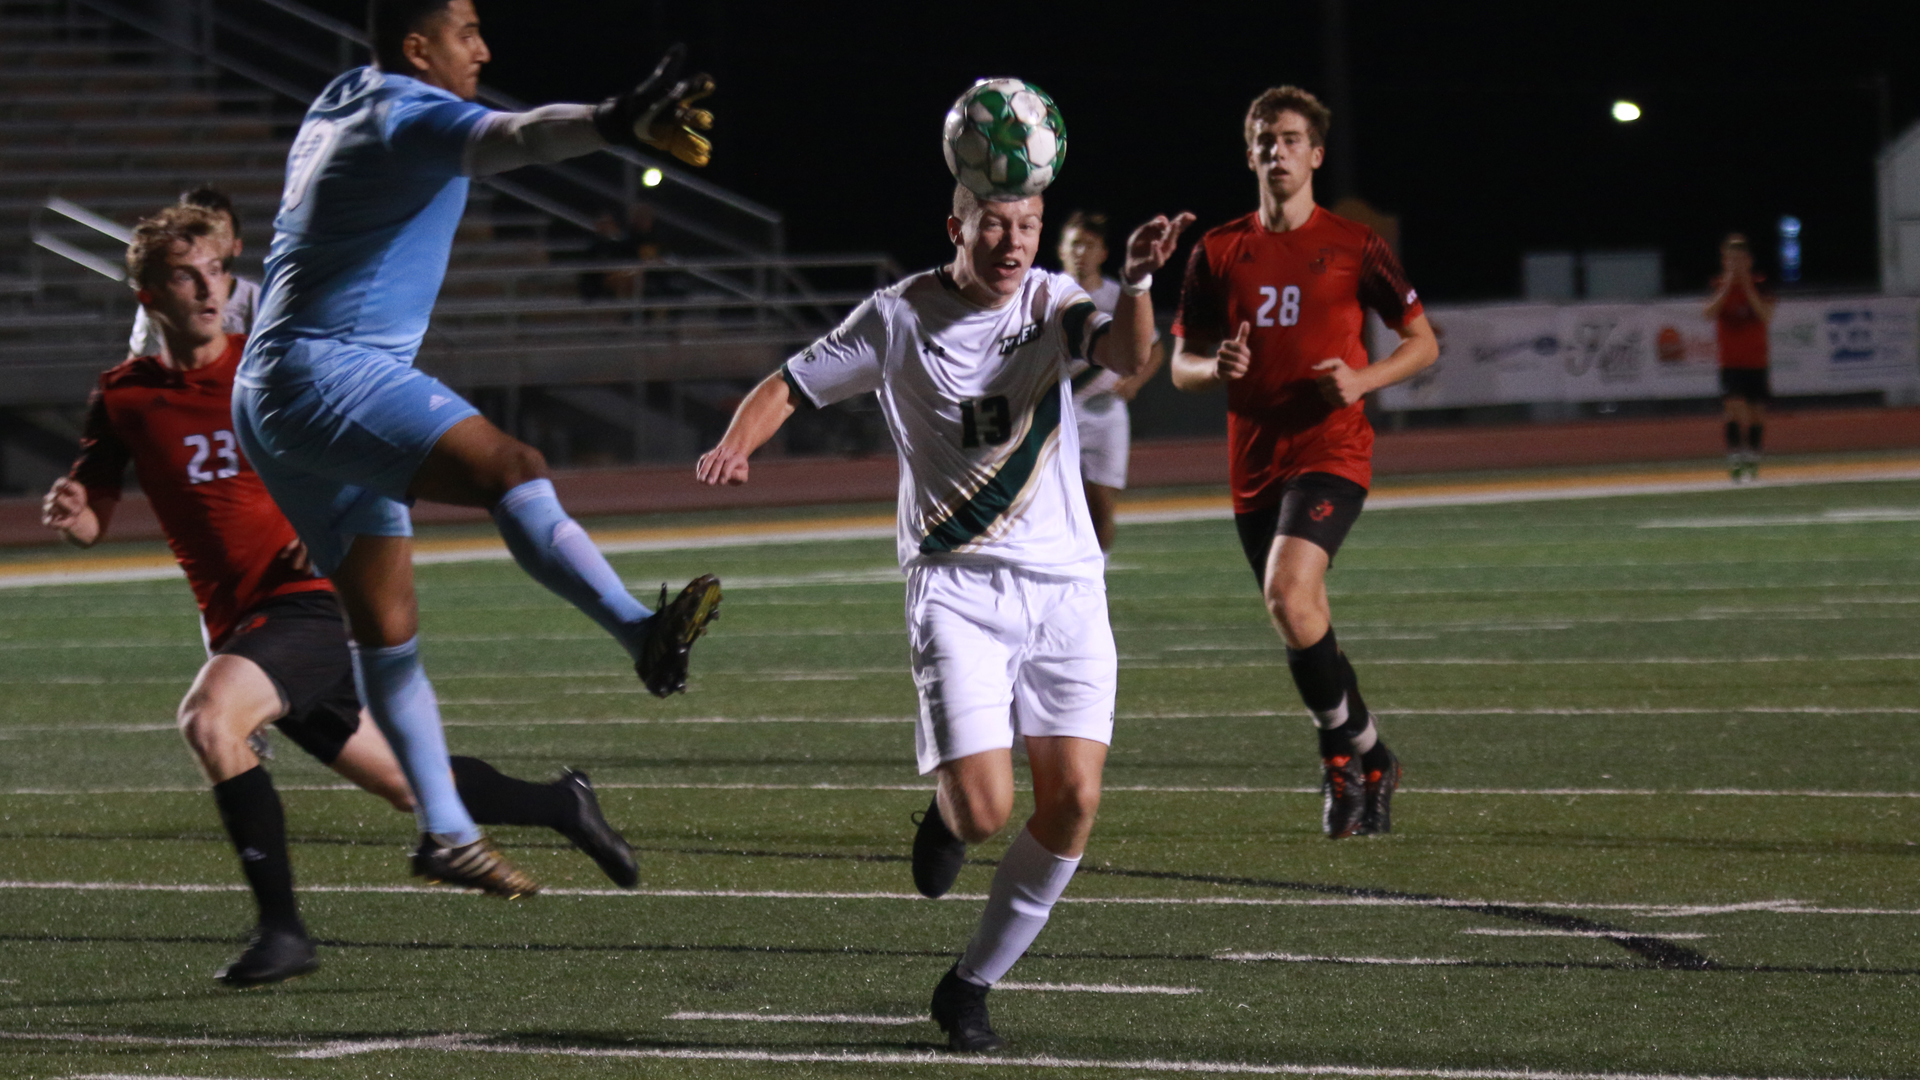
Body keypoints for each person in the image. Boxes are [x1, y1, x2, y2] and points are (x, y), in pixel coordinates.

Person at [43, 205, 639, 988]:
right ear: (148, 296)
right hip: (241, 621)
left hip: (309, 599)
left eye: (216, 270)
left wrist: (331, 509)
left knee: (210, 720)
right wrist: (74, 512)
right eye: (185, 276)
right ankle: (562, 804)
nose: (208, 287)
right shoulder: (123, 396)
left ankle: (284, 932)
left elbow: (364, 436)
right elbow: (92, 513)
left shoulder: (268, 367)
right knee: (404, 783)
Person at [230, 0, 724, 896]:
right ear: (418, 49)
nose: (484, 47)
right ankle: (640, 634)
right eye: (466, 30)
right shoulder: (404, 111)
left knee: (388, 633)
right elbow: (524, 138)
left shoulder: (345, 93)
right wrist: (617, 122)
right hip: (326, 369)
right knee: (515, 469)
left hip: (269, 389)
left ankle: (447, 831)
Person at [697, 181, 1190, 1051]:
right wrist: (736, 443)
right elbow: (789, 383)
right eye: (996, 225)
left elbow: (1118, 352)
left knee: (1073, 801)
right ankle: (949, 815)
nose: (1014, 243)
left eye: (1029, 226)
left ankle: (968, 986)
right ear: (956, 225)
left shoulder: (1049, 298)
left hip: (1068, 588)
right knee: (984, 810)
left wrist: (1143, 283)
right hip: (958, 587)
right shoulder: (897, 316)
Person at [1169, 86, 1437, 840]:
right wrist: (1210, 366)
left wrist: (1362, 380)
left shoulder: (1354, 245)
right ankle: (1367, 752)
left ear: (1315, 153)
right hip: (1253, 462)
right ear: (1248, 151)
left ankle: (1340, 754)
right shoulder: (1219, 250)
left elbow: (1423, 342)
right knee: (1303, 619)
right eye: (1263, 138)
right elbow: (1180, 365)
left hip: (1332, 448)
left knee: (1290, 597)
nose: (1275, 151)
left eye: (1289, 138)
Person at [1057, 211, 1165, 552]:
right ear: (1061, 249)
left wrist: (1135, 382)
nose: (1081, 252)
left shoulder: (1120, 296)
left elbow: (1156, 346)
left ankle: (1097, 577)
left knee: (1101, 503)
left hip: (1105, 411)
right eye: (1075, 244)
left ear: (1103, 253)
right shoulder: (1045, 293)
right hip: (1055, 411)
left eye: (1090, 245)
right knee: (1054, 503)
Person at [128, 185, 259, 361]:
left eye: (219, 233)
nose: (207, 243)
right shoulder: (159, 301)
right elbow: (139, 361)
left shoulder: (258, 301)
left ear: (237, 246)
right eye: (196, 232)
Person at [1703, 233, 1773, 483]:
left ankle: (1752, 458)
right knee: (1733, 408)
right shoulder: (1718, 284)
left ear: (1748, 260)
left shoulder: (1760, 283)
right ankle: (1734, 458)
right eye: (1730, 260)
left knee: (1756, 414)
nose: (1734, 264)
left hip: (1756, 361)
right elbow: (1707, 313)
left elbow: (1766, 315)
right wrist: (1727, 285)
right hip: (1730, 362)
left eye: (1739, 259)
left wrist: (1747, 286)